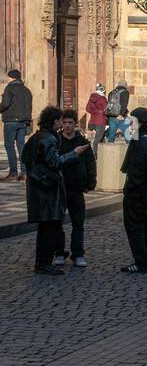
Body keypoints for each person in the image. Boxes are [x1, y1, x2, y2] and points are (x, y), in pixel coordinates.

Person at [22, 106, 90, 274]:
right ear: (55, 121)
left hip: (39, 187)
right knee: (49, 228)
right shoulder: (48, 139)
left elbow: (25, 157)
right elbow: (55, 162)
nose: (62, 124)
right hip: (47, 190)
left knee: (45, 227)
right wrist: (74, 153)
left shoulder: (38, 136)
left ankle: (42, 262)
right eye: (60, 120)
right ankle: (44, 263)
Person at [119, 107, 147, 274]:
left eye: (133, 121)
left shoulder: (142, 142)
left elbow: (138, 170)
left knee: (135, 227)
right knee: (146, 226)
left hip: (139, 193)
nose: (130, 124)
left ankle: (141, 261)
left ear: (141, 123)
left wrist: (130, 190)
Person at [56, 108, 97, 266]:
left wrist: (91, 182)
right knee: (57, 222)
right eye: (65, 122)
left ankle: (78, 254)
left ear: (75, 124)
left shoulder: (82, 142)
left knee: (78, 223)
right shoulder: (57, 141)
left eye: (70, 123)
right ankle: (59, 253)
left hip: (76, 187)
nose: (67, 126)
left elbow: (90, 163)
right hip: (60, 187)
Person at [1, 68, 32, 182]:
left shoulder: (10, 88)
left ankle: (13, 173)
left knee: (9, 146)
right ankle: (24, 173)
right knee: (21, 146)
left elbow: (5, 104)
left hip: (11, 121)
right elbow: (29, 106)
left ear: (11, 77)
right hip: (23, 122)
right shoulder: (26, 90)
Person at [84, 83, 109, 150]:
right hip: (100, 121)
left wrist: (95, 112)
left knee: (97, 138)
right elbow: (106, 111)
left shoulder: (92, 98)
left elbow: (87, 109)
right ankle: (94, 154)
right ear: (104, 91)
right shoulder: (103, 99)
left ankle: (99, 152)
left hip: (92, 121)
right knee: (97, 141)